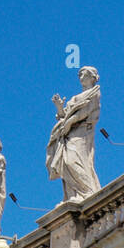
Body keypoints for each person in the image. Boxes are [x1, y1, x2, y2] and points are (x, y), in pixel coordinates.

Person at [46, 67, 102, 203]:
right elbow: (63, 115)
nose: (80, 76)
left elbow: (86, 111)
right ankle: (73, 195)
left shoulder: (94, 92)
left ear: (92, 77)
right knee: (65, 162)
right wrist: (59, 107)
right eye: (79, 74)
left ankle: (88, 191)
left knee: (73, 160)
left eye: (83, 74)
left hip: (82, 132)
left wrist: (70, 122)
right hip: (69, 133)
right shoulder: (75, 97)